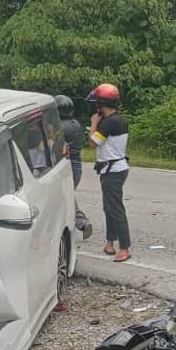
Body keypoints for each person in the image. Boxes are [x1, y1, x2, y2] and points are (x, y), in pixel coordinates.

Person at [87, 83, 131, 262]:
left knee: (115, 209)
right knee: (109, 208)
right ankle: (110, 243)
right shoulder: (118, 119)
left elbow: (92, 143)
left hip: (113, 171)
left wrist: (93, 124)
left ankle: (125, 248)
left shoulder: (108, 123)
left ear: (101, 103)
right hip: (113, 168)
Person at [55, 94, 93, 241]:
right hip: (77, 166)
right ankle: (80, 223)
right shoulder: (76, 124)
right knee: (66, 195)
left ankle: (80, 222)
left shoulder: (60, 127)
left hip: (65, 166)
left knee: (62, 196)